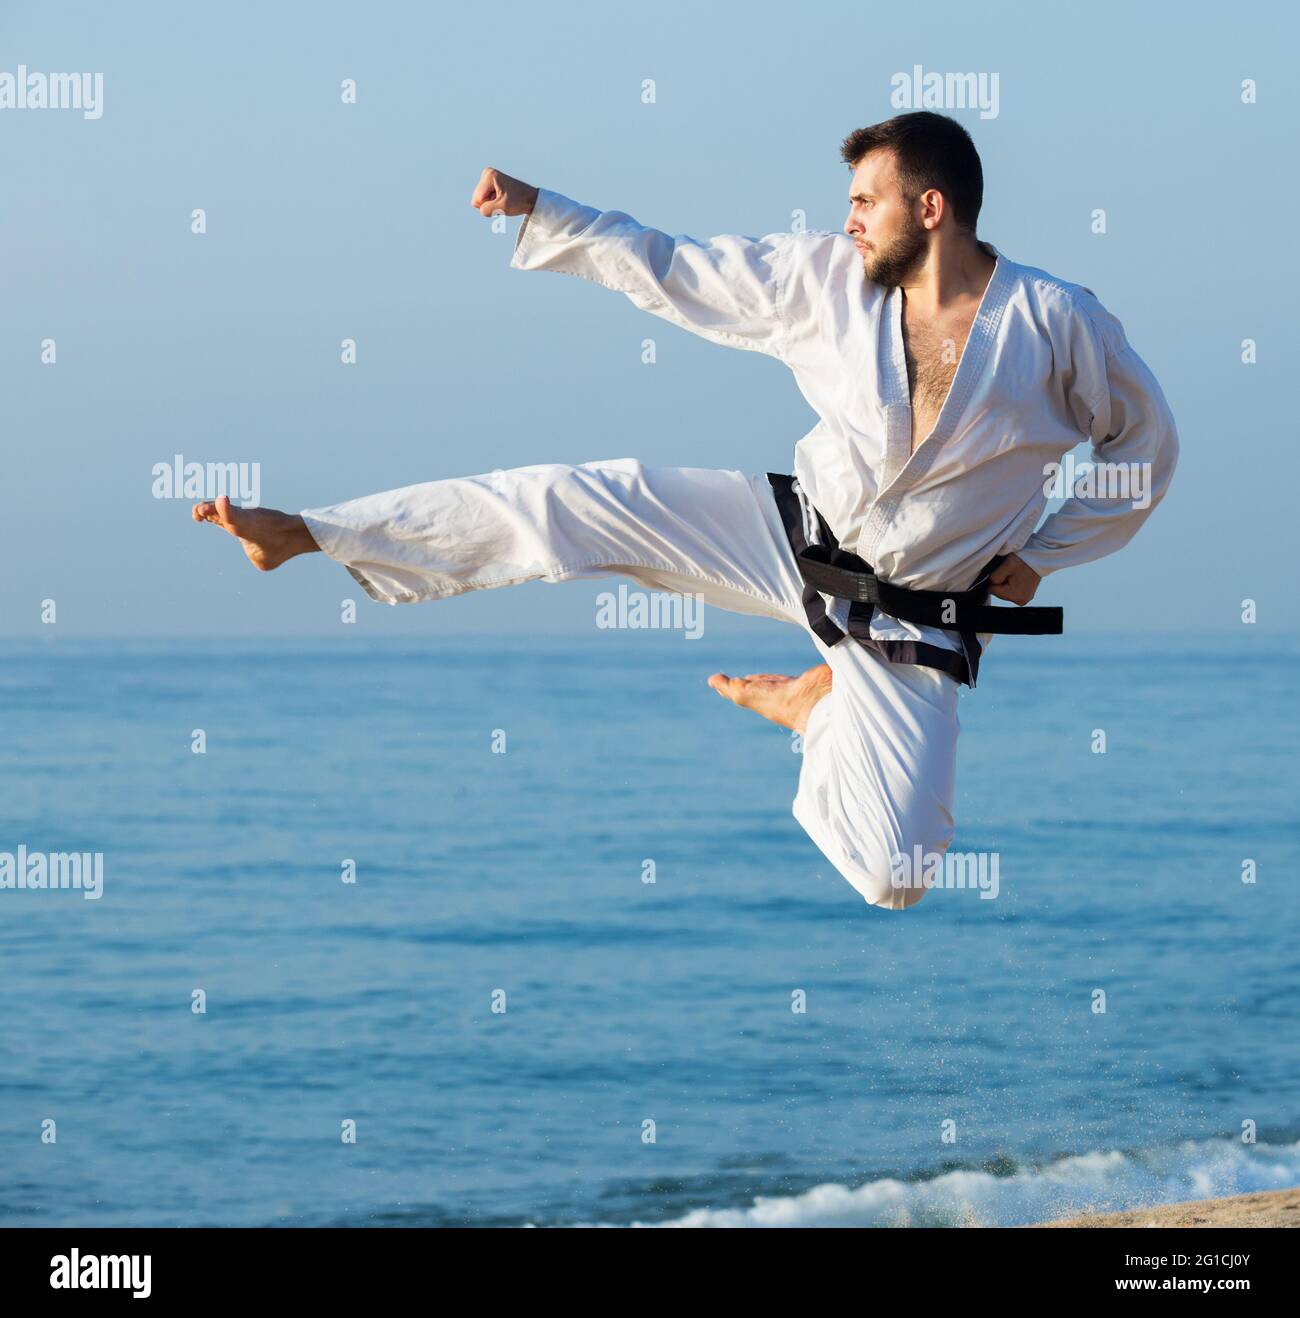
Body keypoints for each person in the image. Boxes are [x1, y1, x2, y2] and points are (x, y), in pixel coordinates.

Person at [192, 112, 1179, 910]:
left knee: (896, 876)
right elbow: (672, 269)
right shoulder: (822, 280)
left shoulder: (1054, 324)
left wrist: (1049, 552)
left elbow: (1144, 447)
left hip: (913, 614)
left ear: (929, 208)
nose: (847, 222)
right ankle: (311, 532)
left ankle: (812, 703)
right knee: (571, 501)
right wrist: (544, 211)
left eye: (863, 202)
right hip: (796, 538)